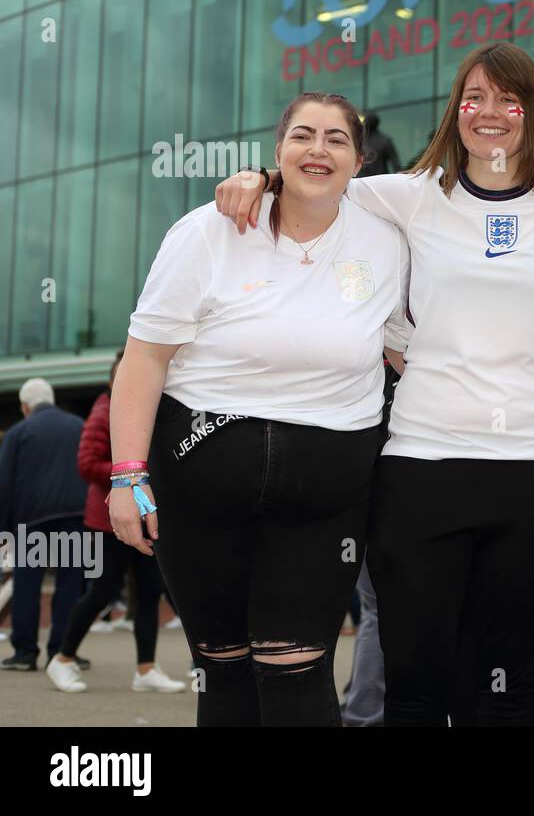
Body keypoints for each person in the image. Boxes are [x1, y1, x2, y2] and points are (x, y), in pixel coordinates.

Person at [213, 46, 534, 727]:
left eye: (507, 100)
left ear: (532, 114)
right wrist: (258, 176)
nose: (489, 113)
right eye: (474, 98)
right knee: (414, 680)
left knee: (509, 684)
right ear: (455, 110)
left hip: (531, 473)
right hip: (420, 469)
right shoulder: (411, 195)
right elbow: (319, 180)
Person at [111, 91, 409, 726]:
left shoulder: (388, 243)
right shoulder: (208, 231)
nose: (318, 150)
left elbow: (412, 352)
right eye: (304, 136)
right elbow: (145, 357)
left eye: (336, 139)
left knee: (298, 671)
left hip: (325, 497)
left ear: (359, 160)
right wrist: (127, 476)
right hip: (199, 480)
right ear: (278, 153)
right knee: (222, 669)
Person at [47, 350, 187, 694]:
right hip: (108, 520)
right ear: (117, 379)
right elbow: (86, 462)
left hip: (146, 518)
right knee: (102, 592)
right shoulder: (103, 411)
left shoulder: (152, 410)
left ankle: (146, 670)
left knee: (150, 594)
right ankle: (62, 659)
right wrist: (128, 477)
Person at [0, 379, 87, 672]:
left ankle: (25, 652)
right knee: (70, 586)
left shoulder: (17, 432)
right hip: (76, 517)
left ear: (25, 406)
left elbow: (5, 483)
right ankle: (62, 652)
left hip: (31, 522)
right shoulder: (78, 426)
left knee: (27, 586)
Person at [358, 111, 401, 177]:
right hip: (363, 179)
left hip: (379, 179)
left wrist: (399, 178)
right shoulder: (361, 140)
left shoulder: (385, 140)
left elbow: (395, 163)